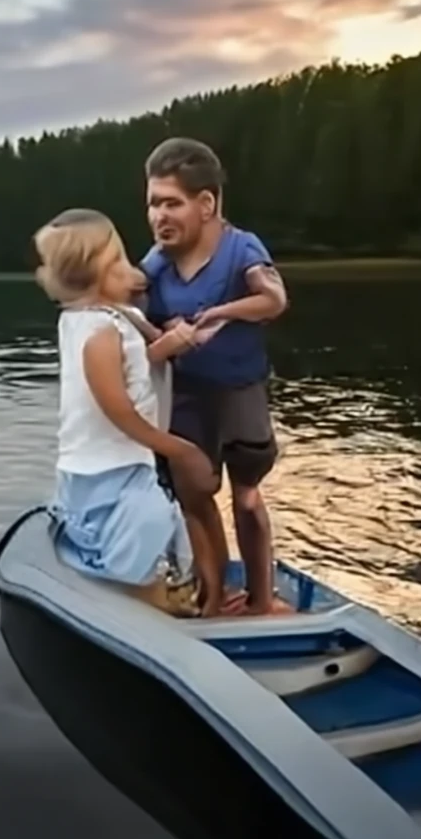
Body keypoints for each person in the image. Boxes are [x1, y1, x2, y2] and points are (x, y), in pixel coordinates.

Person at [32, 207, 220, 616]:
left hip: (117, 463)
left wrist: (170, 344)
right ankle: (144, 608)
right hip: (107, 470)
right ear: (92, 276)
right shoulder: (99, 332)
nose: (130, 268)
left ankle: (163, 594)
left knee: (153, 527)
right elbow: (118, 409)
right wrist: (180, 450)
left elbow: (134, 361)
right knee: (145, 529)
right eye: (117, 260)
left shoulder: (103, 316)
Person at [137, 138, 292, 617]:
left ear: (205, 204)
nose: (159, 216)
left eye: (171, 203)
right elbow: (125, 305)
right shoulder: (158, 261)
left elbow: (274, 300)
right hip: (185, 397)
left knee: (245, 497)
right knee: (195, 499)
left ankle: (262, 601)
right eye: (153, 204)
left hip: (240, 393)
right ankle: (212, 599)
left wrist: (220, 314)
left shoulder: (241, 248)